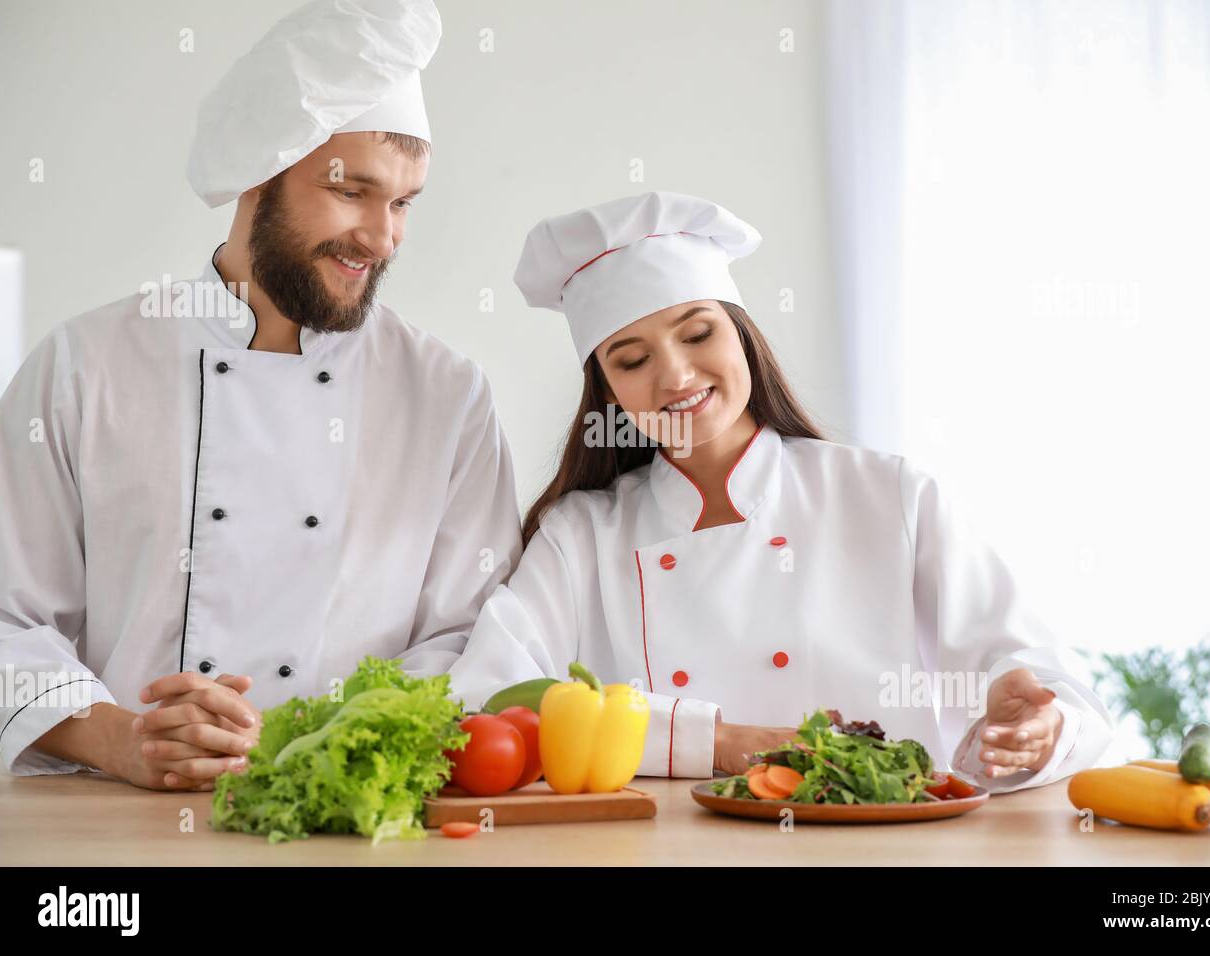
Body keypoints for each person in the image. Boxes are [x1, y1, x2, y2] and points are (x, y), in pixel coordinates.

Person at [0, 0, 522, 790]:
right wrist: (127, 740)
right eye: (353, 193)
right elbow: (1, 620)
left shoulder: (447, 398)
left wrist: (312, 741)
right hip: (113, 820)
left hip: (347, 816)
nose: (383, 238)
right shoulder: (82, 366)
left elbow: (470, 636)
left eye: (403, 202)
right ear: (259, 173)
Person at [446, 190, 1114, 787]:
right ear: (609, 391)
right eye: (633, 358)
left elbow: (1044, 678)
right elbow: (492, 696)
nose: (675, 376)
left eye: (697, 332)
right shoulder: (582, 536)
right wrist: (723, 742)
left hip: (881, 848)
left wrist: (1033, 729)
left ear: (741, 335)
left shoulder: (891, 496)